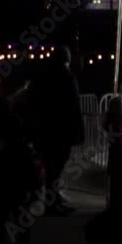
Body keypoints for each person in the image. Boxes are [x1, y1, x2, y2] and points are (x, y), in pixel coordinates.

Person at [28, 44, 84, 215]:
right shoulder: (67, 78)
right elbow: (75, 107)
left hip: (44, 130)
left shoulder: (41, 77)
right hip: (62, 131)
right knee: (56, 167)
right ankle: (52, 204)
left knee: (50, 166)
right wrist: (79, 131)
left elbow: (33, 100)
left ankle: (53, 199)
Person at [0, 94, 42, 244]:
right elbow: (31, 170)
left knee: (2, 222)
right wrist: (35, 189)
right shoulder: (22, 148)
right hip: (18, 189)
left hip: (4, 188)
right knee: (21, 221)